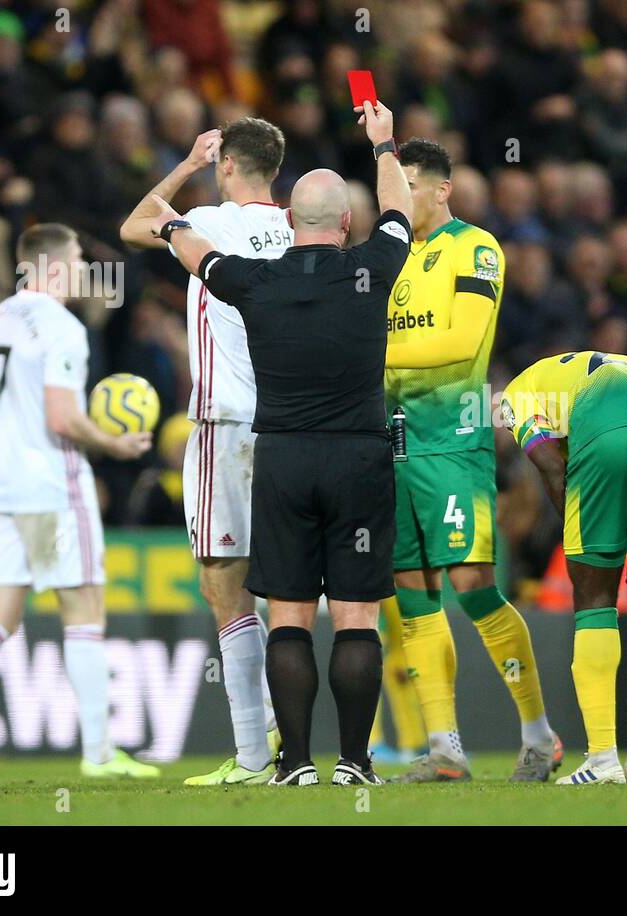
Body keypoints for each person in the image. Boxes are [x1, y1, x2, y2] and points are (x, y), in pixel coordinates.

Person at [150, 100, 413, 787]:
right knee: (357, 619)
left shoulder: (253, 282)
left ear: (290, 222)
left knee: (288, 616)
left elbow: (188, 248)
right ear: (347, 223)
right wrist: (383, 144)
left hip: (283, 461)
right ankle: (354, 764)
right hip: (358, 456)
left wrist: (176, 216)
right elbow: (400, 213)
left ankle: (293, 764)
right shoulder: (373, 269)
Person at [0, 224, 158, 780]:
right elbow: (61, 417)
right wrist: (114, 443)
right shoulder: (63, 328)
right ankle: (99, 753)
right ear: (53, 266)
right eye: (78, 258)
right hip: (51, 486)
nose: (83, 268)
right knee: (84, 613)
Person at [120, 118, 293, 786]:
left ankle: (255, 751)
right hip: (291, 426)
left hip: (225, 422)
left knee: (224, 584)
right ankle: (296, 744)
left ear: (227, 166)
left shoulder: (208, 221)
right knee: (289, 590)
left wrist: (185, 164)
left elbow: (136, 223)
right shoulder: (301, 231)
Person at [383, 137, 561, 783]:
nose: (395, 198)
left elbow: (459, 344)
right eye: (389, 187)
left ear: (440, 190)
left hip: (453, 442)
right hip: (393, 442)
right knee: (411, 593)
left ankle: (539, 735)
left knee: (473, 587)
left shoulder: (475, 246)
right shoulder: (386, 256)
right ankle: (444, 749)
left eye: (406, 186)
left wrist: (370, 357)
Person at [499, 351, 627, 785]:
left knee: (595, 599)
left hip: (608, 426)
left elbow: (552, 470)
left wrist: (581, 536)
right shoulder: (591, 369)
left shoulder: (511, 397)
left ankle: (603, 760)